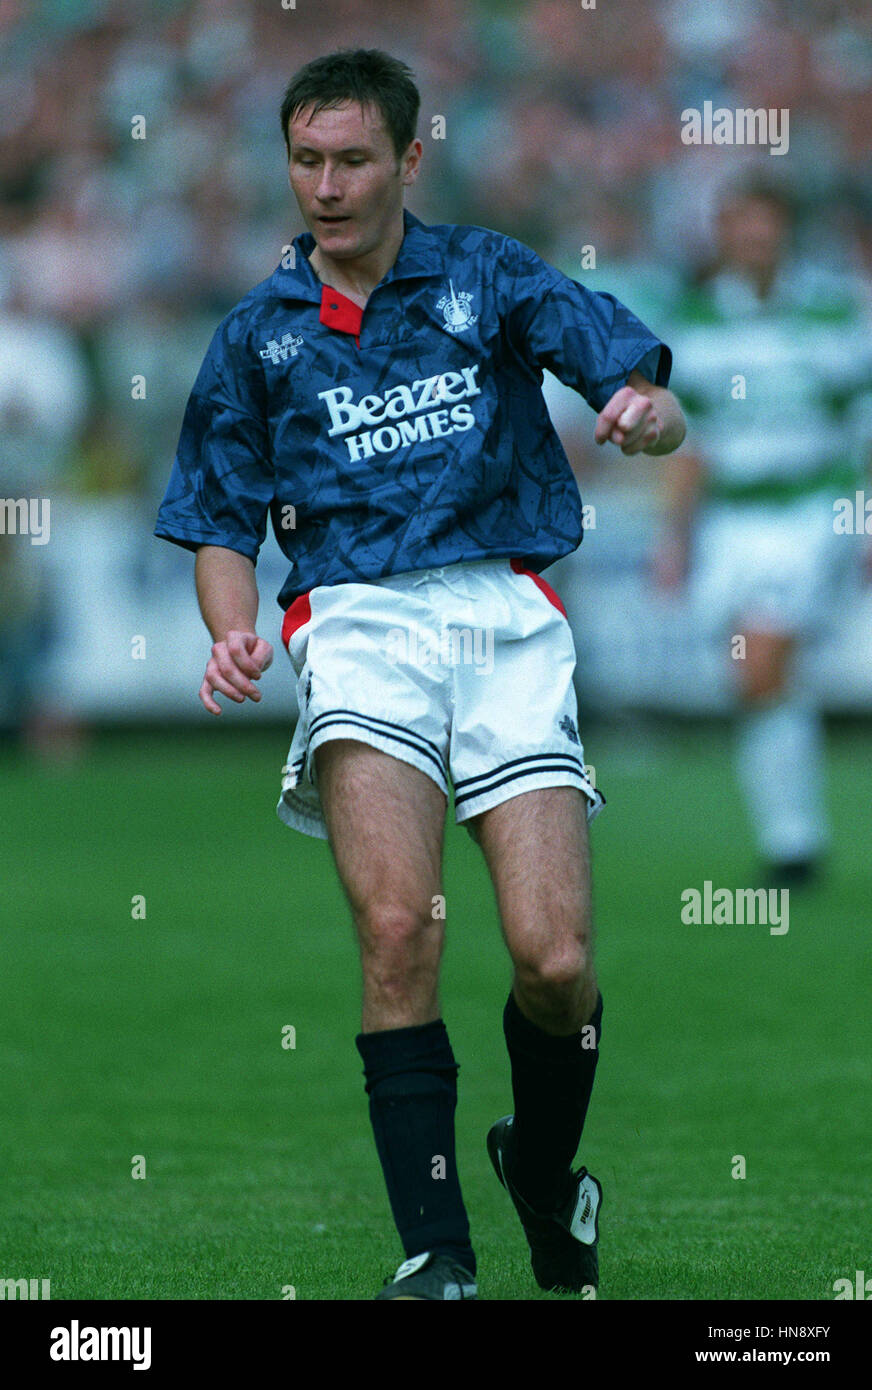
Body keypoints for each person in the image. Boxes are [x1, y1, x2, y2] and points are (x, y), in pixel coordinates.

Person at [155, 48, 685, 1300]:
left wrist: (647, 415)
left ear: (408, 157)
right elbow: (215, 523)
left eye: (351, 159)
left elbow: (634, 383)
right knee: (398, 929)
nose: (326, 185)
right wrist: (230, 628)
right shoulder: (256, 335)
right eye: (305, 160)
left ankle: (548, 1176)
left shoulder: (488, 273)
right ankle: (434, 1253)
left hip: (503, 611)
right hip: (352, 624)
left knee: (554, 963)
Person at [653, 172, 872, 888]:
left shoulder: (833, 312)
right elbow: (689, 443)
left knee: (764, 665)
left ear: (786, 229)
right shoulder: (695, 319)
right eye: (740, 222)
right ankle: (795, 840)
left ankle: (792, 848)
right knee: (754, 682)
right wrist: (675, 538)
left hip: (810, 510)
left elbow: (869, 426)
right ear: (721, 231)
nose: (754, 236)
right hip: (732, 520)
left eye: (766, 221)